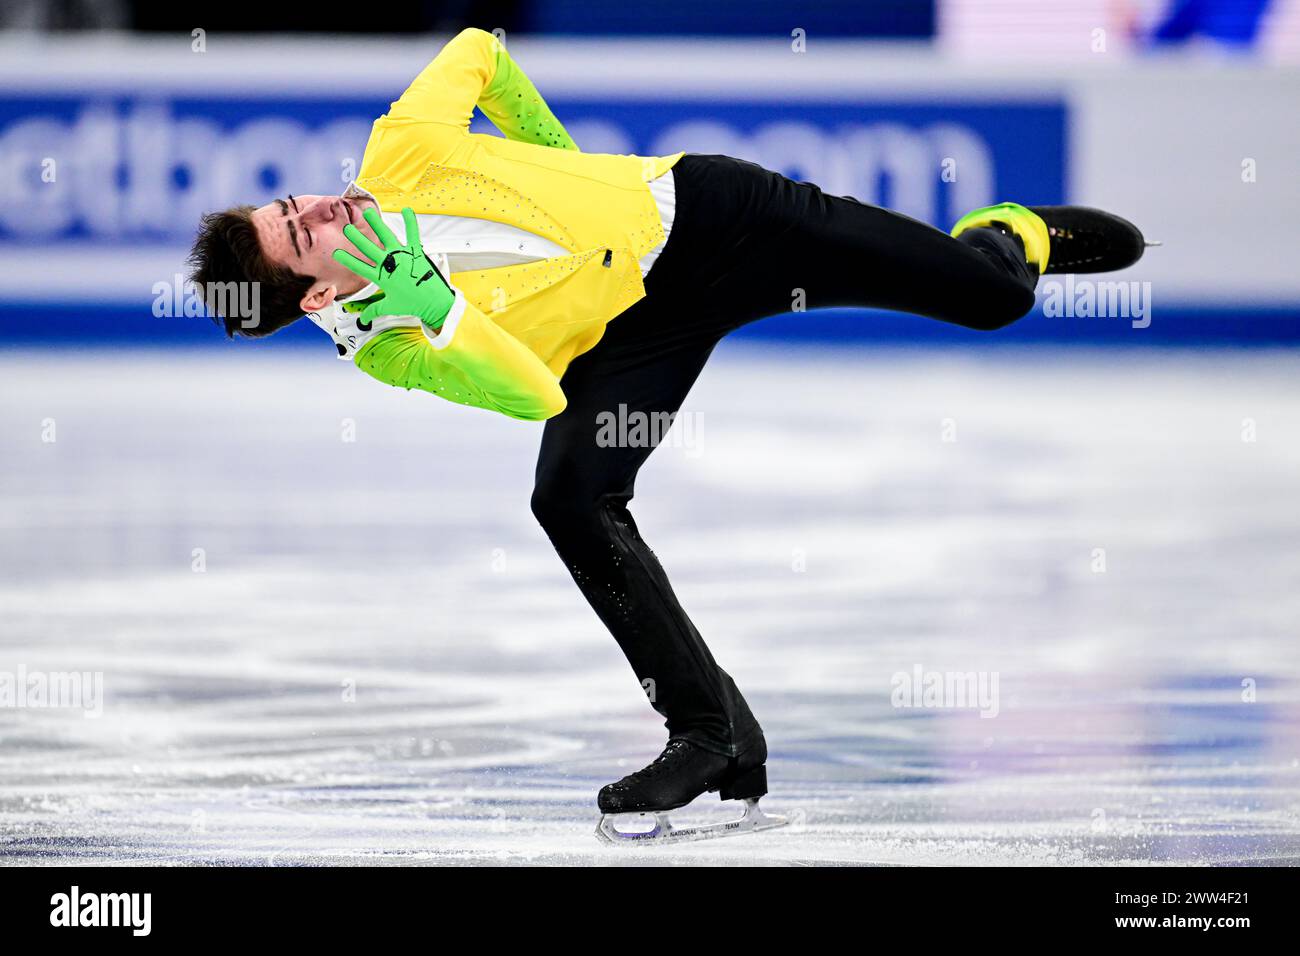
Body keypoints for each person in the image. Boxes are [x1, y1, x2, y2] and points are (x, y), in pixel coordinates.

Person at [188, 27, 1149, 843]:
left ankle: (1005, 234)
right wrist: (437, 307)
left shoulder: (400, 151)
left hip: (722, 221)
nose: (321, 205)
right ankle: (712, 732)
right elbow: (535, 397)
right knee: (569, 496)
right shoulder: (388, 344)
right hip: (631, 337)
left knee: (989, 303)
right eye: (303, 231)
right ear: (317, 294)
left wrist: (552, 152)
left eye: (292, 202)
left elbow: (480, 48)